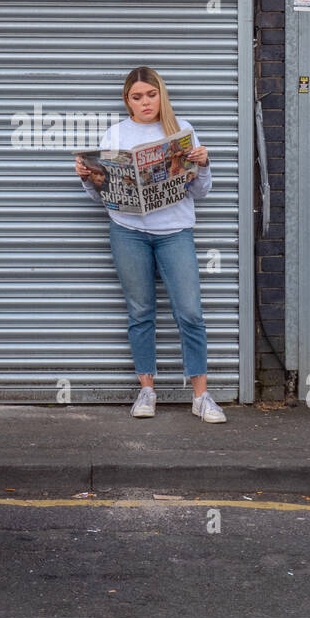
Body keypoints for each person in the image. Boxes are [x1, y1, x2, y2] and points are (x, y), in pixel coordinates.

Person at [74, 66, 225, 423]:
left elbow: (202, 192)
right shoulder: (116, 134)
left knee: (190, 312)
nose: (145, 102)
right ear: (127, 101)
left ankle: (201, 396)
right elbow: (101, 198)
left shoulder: (182, 131)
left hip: (175, 231)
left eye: (150, 95)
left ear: (162, 95)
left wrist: (203, 165)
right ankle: (147, 390)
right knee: (140, 311)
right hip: (128, 230)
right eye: (137, 97)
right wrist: (88, 179)